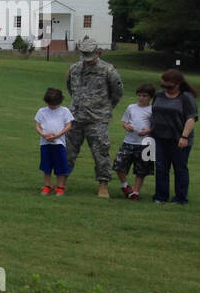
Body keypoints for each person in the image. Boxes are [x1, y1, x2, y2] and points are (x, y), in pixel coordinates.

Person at [65, 35, 123, 198]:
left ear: (98, 53)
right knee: (68, 151)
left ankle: (103, 185)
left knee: (101, 153)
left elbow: (117, 93)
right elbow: (70, 88)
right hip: (75, 117)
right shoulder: (74, 69)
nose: (87, 60)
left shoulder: (108, 71)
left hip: (97, 119)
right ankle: (62, 182)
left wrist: (105, 108)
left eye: (90, 55)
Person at [150, 69, 198, 206]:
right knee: (160, 168)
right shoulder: (159, 95)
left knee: (180, 168)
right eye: (163, 85)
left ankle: (180, 198)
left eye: (169, 86)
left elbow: (191, 118)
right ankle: (160, 196)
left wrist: (184, 137)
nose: (166, 89)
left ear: (178, 84)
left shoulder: (186, 97)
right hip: (159, 137)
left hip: (179, 139)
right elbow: (154, 114)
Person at [114, 84, 155, 200]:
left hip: (146, 143)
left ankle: (135, 192)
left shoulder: (153, 109)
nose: (141, 98)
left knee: (141, 169)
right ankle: (125, 186)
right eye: (139, 95)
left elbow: (156, 126)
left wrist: (149, 130)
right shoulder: (131, 107)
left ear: (151, 97)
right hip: (129, 141)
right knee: (119, 164)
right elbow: (125, 122)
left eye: (145, 96)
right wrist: (127, 126)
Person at [35, 86, 74, 195]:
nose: (52, 106)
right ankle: (47, 186)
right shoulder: (42, 111)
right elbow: (37, 126)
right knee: (46, 166)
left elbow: (69, 125)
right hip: (45, 143)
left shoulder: (64, 111)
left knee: (60, 166)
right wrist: (43, 134)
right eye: (50, 104)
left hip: (59, 144)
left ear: (60, 101)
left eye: (54, 104)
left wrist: (58, 135)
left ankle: (60, 186)